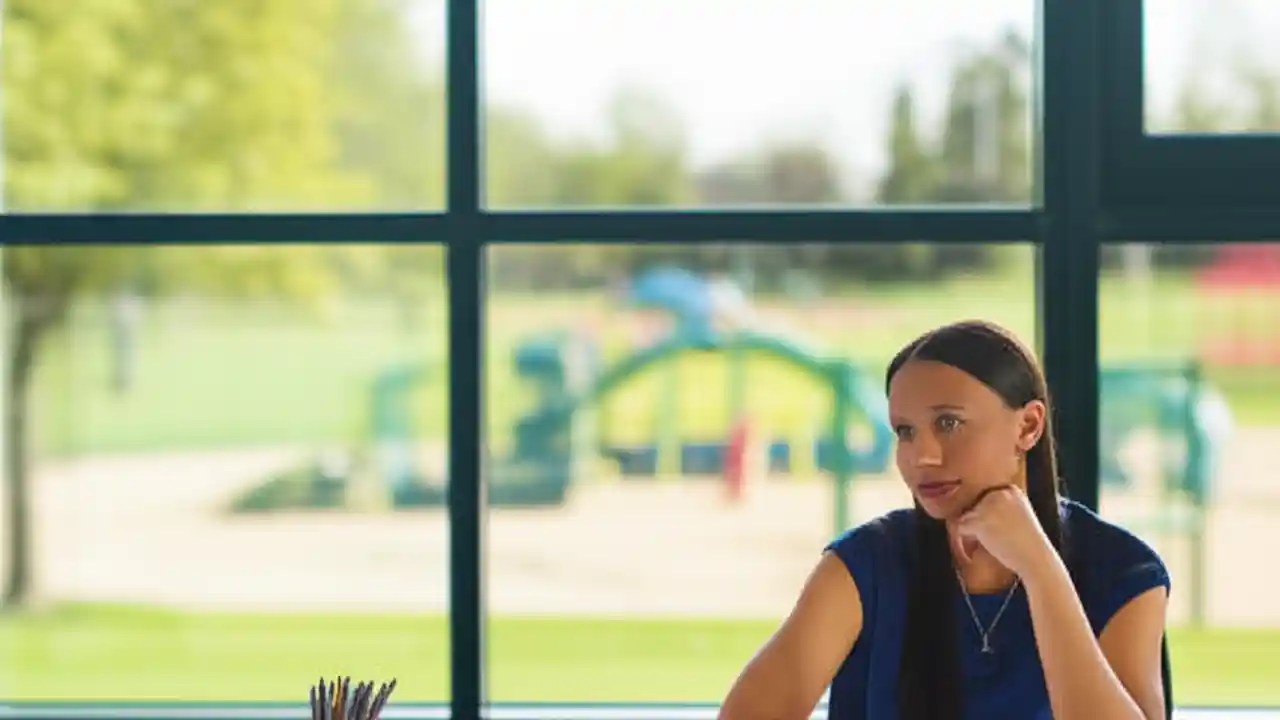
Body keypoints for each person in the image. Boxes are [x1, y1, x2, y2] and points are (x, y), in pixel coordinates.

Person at [718, 320, 1170, 720]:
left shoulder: (1125, 571)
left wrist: (1039, 565)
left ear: (1028, 426)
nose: (922, 457)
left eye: (949, 424)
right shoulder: (864, 566)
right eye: (905, 432)